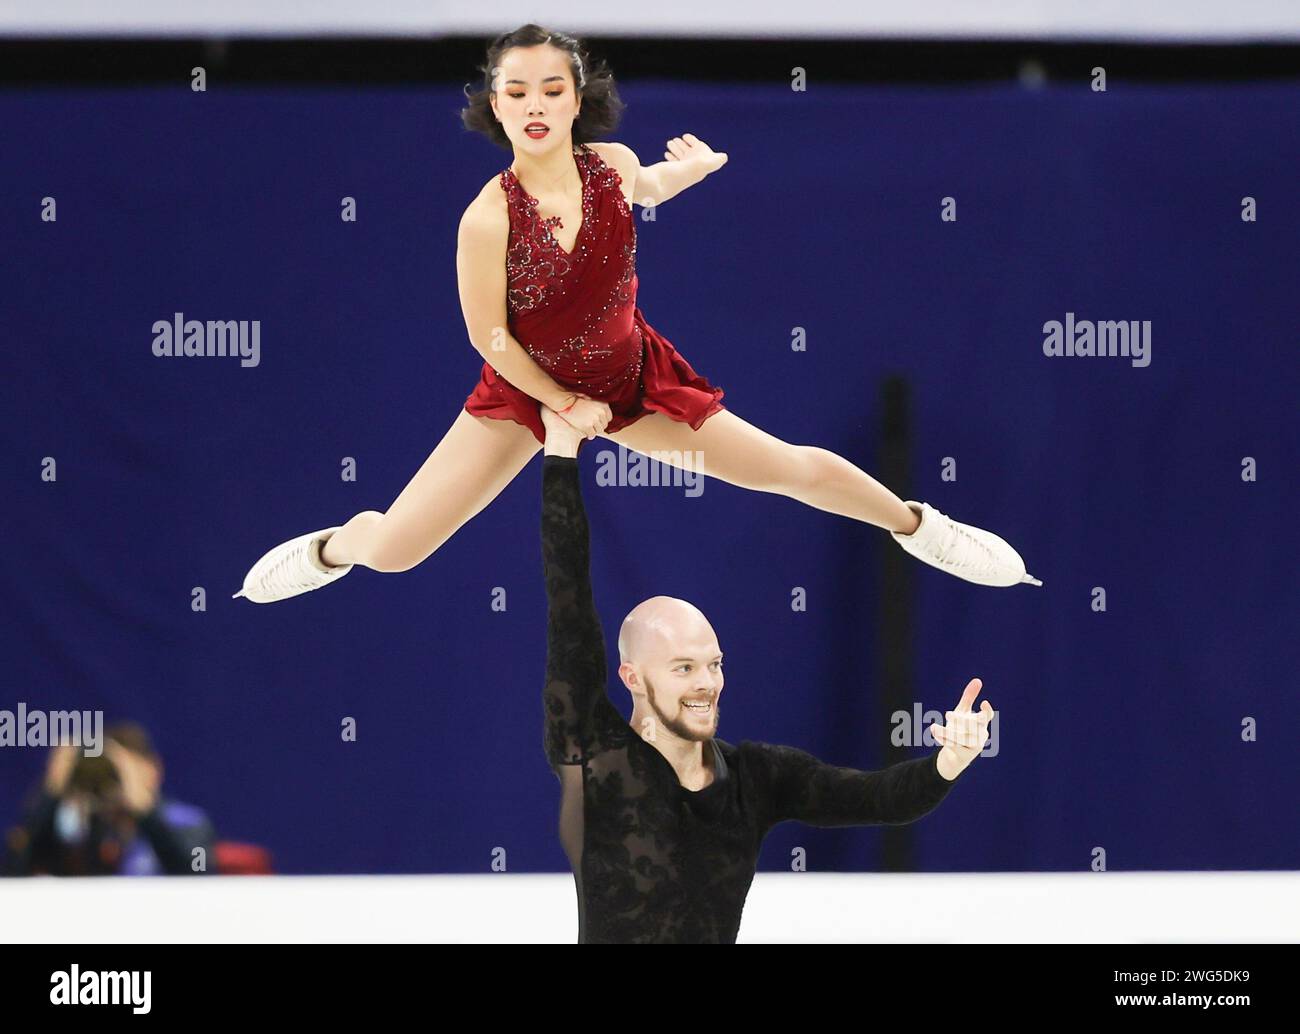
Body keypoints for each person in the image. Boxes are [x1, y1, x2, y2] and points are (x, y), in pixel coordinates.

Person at [233, 23, 1039, 605]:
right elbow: (491, 337)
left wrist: (689, 171)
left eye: (553, 88)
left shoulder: (611, 165)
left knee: (789, 469)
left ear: (577, 98)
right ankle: (332, 547)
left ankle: (921, 526)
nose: (536, 103)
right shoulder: (488, 216)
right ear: (498, 107)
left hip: (632, 380)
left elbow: (644, 186)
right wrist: (560, 405)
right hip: (526, 393)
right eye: (518, 92)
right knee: (401, 552)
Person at [535, 402, 992, 943]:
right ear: (632, 677)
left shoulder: (754, 779)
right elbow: (569, 604)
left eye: (714, 664)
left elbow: (880, 799)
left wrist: (949, 760)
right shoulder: (592, 754)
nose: (706, 682)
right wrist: (560, 453)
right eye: (684, 667)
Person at [4, 722, 216, 877]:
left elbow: (199, 873)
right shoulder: (77, 827)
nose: (117, 782)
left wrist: (144, 810)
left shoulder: (188, 823)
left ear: (154, 769)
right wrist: (53, 792)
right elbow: (13, 873)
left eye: (126, 771)